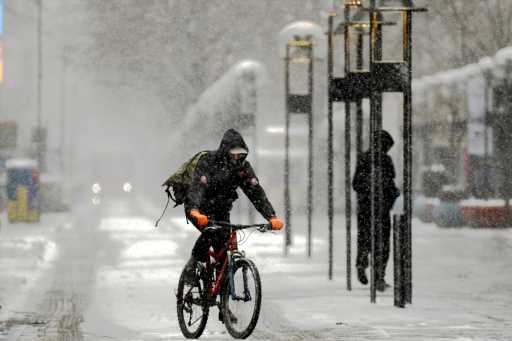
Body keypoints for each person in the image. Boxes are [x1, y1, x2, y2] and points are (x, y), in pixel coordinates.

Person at [182, 128, 284, 283]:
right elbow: (197, 188)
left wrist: (271, 216)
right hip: (199, 208)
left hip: (221, 209)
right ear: (225, 151)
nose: (237, 157)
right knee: (211, 233)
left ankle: (222, 296)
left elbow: (256, 193)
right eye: (233, 153)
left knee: (223, 248)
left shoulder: (242, 168)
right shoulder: (208, 162)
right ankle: (193, 263)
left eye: (241, 153)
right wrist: (195, 210)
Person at [352, 130, 399, 291]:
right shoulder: (377, 160)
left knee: (366, 239)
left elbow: (357, 183)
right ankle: (377, 275)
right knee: (381, 244)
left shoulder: (367, 158)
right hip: (376, 208)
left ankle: (364, 265)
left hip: (370, 208)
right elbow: (357, 183)